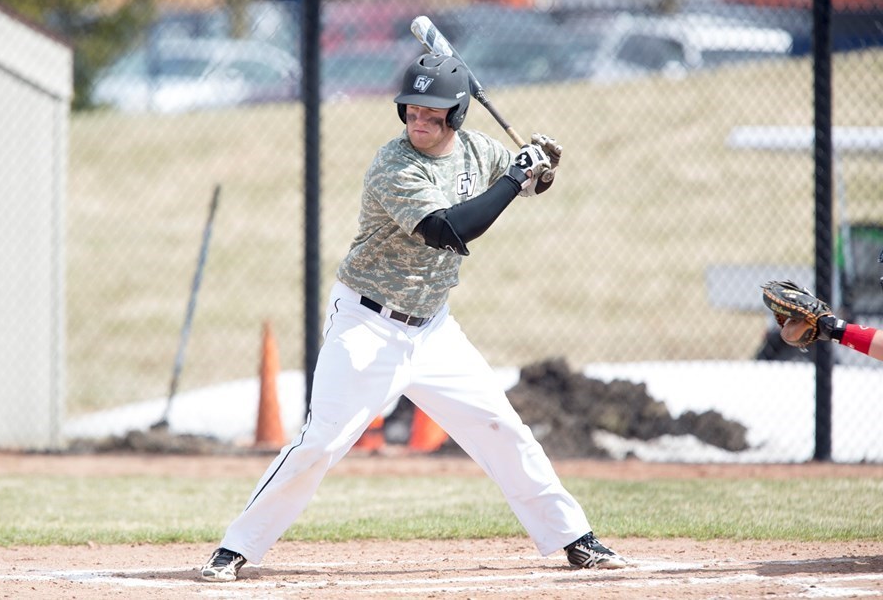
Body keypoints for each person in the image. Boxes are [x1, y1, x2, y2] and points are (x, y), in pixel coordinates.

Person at [200, 53, 626, 583]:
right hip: (367, 324)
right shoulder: (394, 164)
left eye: (433, 114)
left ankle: (573, 538)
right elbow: (449, 229)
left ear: (458, 115)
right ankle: (236, 547)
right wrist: (516, 179)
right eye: (412, 112)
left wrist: (539, 167)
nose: (419, 123)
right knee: (322, 440)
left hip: (434, 328)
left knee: (501, 427)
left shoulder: (478, 150)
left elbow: (528, 185)